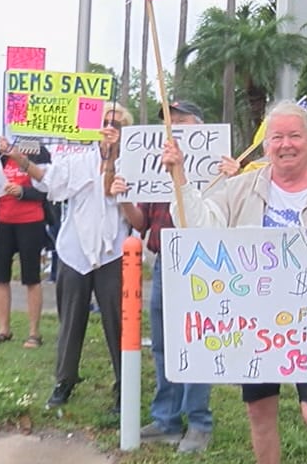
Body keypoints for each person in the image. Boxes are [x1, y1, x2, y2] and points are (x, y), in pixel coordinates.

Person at [161, 99, 307, 464]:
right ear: (266, 144)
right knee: (260, 413)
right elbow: (198, 228)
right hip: (254, 325)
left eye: (294, 135)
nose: (285, 144)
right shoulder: (241, 188)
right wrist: (178, 175)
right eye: (277, 137)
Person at [124, 100, 239, 454]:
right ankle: (167, 419)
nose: (173, 130)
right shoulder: (155, 169)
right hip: (164, 263)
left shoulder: (220, 169)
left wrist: (235, 176)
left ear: (201, 129)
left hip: (203, 265)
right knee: (162, 344)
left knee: (198, 342)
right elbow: (141, 223)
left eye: (182, 122)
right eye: (170, 124)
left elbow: (226, 212)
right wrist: (121, 198)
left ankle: (199, 422)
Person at [22, 103, 141, 412]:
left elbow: (137, 211)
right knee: (71, 319)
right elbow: (47, 179)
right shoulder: (77, 162)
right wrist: (16, 156)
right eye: (106, 122)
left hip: (114, 252)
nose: (110, 127)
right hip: (75, 251)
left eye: (117, 124)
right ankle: (65, 379)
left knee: (119, 322)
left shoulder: (135, 165)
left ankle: (123, 384)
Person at [0, 136, 53, 349]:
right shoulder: (1, 156)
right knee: (1, 276)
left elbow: (48, 188)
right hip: (2, 222)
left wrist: (23, 192)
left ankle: (34, 333)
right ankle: (3, 329)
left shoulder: (39, 152)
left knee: (31, 277)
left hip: (30, 221)